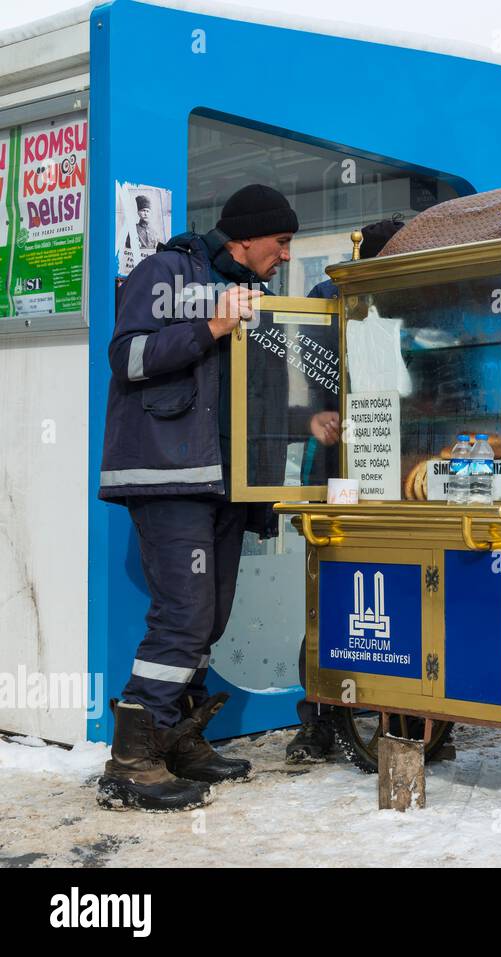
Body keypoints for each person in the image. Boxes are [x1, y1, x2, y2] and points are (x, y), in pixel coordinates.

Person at [97, 184, 340, 811]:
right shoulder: (166, 270)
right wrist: (210, 325)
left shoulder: (254, 298)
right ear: (246, 238)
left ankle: (178, 740)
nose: (286, 256)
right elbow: (128, 358)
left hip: (230, 482)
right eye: (281, 242)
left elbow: (250, 394)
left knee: (211, 616)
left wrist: (301, 422)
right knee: (182, 617)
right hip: (170, 477)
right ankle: (132, 761)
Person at [284, 215, 405, 764]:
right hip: (342, 472)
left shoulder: (409, 295)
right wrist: (318, 414)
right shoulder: (332, 296)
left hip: (399, 466)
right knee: (329, 593)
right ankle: (318, 718)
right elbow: (311, 380)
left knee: (391, 597)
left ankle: (403, 721)